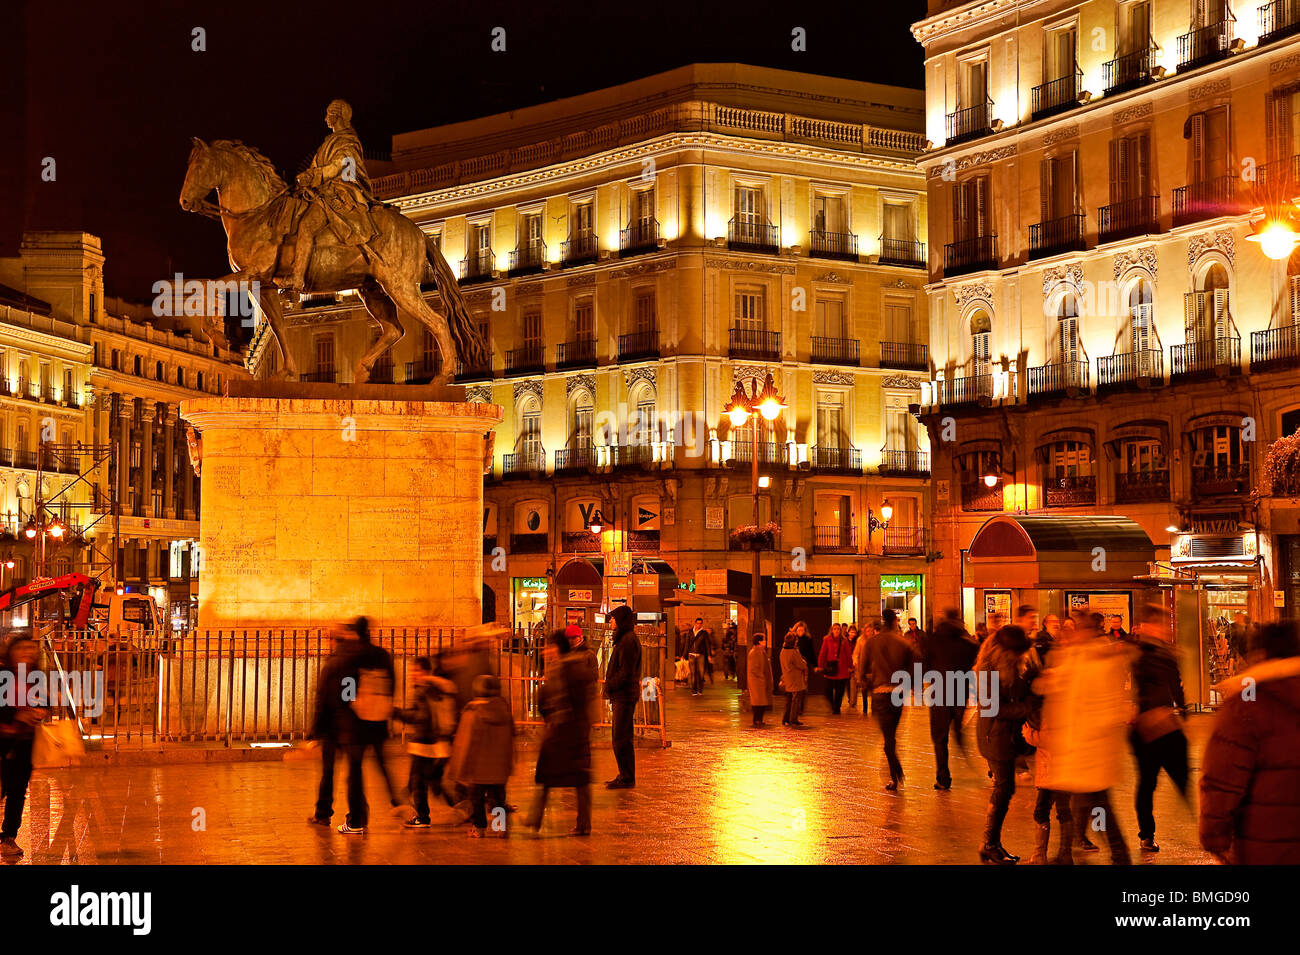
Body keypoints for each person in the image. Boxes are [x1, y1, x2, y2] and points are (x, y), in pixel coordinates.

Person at [1035, 613, 1133, 865]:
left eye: (1076, 630)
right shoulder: (1082, 657)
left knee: (1096, 804)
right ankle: (1079, 851)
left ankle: (1114, 854)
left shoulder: (1096, 661)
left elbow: (1101, 706)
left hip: (1089, 749)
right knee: (1092, 803)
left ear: (1086, 632)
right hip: (1080, 748)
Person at [1200, 621, 1300, 864]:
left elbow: (1223, 778)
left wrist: (1215, 837)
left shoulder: (1246, 705)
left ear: (1259, 655)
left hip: (1265, 843)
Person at [284, 99, 379, 290]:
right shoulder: (328, 143)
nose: (325, 118)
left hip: (342, 192)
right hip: (322, 191)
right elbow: (316, 168)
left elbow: (344, 166)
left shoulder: (348, 140)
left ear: (337, 115)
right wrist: (305, 180)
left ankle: (297, 277)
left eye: (328, 113)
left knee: (307, 225)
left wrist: (315, 175)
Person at [336, 616, 404, 834]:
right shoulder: (382, 655)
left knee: (355, 772)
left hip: (357, 722)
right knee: (383, 764)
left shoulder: (353, 656)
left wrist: (348, 709)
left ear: (355, 632)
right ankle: (398, 802)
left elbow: (347, 689)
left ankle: (356, 820)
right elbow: (392, 684)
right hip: (379, 720)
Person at [1130, 605, 1188, 853]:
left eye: (1166, 625)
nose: (1164, 629)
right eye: (1160, 624)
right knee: (1148, 781)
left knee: (1162, 778)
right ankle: (1146, 833)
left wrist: (1182, 711)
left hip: (1163, 722)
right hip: (1146, 725)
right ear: (1147, 626)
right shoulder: (1139, 654)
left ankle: (1148, 833)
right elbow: (1141, 686)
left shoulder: (1165, 653)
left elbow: (1176, 685)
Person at [974, 623, 1033, 864]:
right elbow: (994, 707)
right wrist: (1028, 708)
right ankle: (989, 843)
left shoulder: (1004, 666)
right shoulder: (988, 671)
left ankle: (991, 842)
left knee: (1005, 788)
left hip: (1002, 735)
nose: (1021, 657)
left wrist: (1029, 679)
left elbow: (1013, 689)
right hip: (994, 737)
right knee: (1003, 788)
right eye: (1018, 653)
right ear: (1007, 652)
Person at [525, 631, 594, 836]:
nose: (545, 651)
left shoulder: (567, 668)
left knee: (559, 777)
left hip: (564, 731)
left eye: (549, 647)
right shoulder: (570, 666)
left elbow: (553, 699)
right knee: (574, 778)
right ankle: (579, 823)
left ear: (558, 648)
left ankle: (537, 819)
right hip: (570, 730)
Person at [393, 655, 458, 827]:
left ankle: (422, 817)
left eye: (417, 670)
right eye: (412, 670)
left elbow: (421, 716)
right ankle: (459, 806)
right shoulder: (438, 687)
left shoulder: (424, 690)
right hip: (436, 744)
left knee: (418, 782)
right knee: (431, 782)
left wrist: (398, 713)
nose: (414, 674)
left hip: (425, 744)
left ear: (426, 671)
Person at [447, 674, 516, 838]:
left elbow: (465, 743)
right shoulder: (505, 710)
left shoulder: (472, 712)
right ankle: (501, 827)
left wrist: (460, 768)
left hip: (477, 768)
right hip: (499, 767)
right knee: (498, 799)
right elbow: (511, 738)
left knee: (476, 799)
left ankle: (479, 828)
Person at [0, 633, 47, 858]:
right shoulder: (2, 675)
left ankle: (8, 838)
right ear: (12, 652)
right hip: (3, 740)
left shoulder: (37, 677)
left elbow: (45, 702)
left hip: (25, 743)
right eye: (22, 648)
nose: (27, 652)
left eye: (31, 648)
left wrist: (40, 710)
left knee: (17, 792)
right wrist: (15, 716)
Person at [858, 610, 917, 790]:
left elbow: (861, 670)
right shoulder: (903, 643)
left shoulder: (872, 643)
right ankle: (895, 772)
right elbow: (915, 667)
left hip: (880, 693)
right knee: (891, 735)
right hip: (897, 693)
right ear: (894, 622)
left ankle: (895, 773)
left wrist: (867, 684)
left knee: (888, 736)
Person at [922, 608, 978, 791]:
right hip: (960, 691)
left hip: (939, 693)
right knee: (956, 729)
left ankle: (943, 777)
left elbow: (924, 666)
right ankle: (961, 742)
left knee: (939, 737)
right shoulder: (968, 642)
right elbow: (974, 662)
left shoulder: (934, 640)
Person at [307, 630, 356, 828]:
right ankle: (356, 815)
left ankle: (323, 813)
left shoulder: (331, 665)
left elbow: (321, 700)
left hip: (330, 728)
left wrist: (314, 731)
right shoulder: (351, 665)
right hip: (347, 726)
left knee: (328, 773)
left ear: (333, 642)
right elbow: (349, 695)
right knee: (354, 774)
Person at [603, 605, 641, 789]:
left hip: (624, 696)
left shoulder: (627, 641)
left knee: (621, 738)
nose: (611, 621)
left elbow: (626, 671)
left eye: (613, 618)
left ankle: (627, 777)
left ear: (621, 621)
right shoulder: (624, 639)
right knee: (620, 737)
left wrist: (610, 684)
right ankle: (625, 775)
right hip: (622, 695)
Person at [816, 622, 852, 715]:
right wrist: (820, 665)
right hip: (830, 669)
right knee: (828, 690)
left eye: (838, 629)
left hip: (842, 669)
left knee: (840, 691)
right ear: (831, 630)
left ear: (840, 631)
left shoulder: (844, 640)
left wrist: (850, 666)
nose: (836, 630)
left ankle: (837, 708)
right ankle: (833, 705)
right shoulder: (827, 640)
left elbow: (848, 654)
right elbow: (823, 653)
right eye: (834, 629)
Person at [779, 633, 808, 726]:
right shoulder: (793, 652)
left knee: (788, 700)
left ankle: (786, 718)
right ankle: (793, 719)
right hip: (795, 679)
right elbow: (801, 665)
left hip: (787, 678)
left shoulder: (783, 651)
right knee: (796, 700)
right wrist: (803, 661)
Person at [747, 634, 774, 726]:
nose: (765, 641)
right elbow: (754, 668)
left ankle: (759, 719)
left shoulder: (761, 651)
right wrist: (761, 676)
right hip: (757, 681)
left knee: (762, 701)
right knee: (758, 701)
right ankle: (757, 719)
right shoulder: (754, 652)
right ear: (759, 641)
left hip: (761, 680)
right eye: (764, 640)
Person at [688, 618, 711, 696]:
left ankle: (700, 690)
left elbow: (707, 645)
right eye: (697, 623)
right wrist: (683, 655)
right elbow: (686, 644)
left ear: (702, 624)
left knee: (701, 674)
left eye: (700, 623)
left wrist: (709, 655)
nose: (699, 625)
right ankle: (694, 690)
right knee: (693, 674)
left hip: (700, 655)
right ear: (695, 623)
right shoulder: (690, 632)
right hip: (691, 655)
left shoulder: (704, 633)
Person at [844, 624, 861, 711]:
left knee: (854, 683)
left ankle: (853, 701)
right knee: (848, 684)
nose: (853, 634)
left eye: (854, 632)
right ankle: (851, 699)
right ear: (848, 632)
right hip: (847, 664)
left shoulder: (857, 641)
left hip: (855, 664)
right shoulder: (845, 641)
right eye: (851, 632)